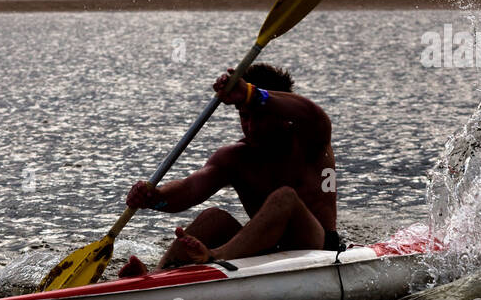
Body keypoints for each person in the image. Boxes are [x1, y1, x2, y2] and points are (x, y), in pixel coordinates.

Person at [118, 63, 339, 278]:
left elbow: (311, 113)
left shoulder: (311, 138)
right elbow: (189, 189)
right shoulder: (235, 157)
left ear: (281, 113)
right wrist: (154, 197)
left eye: (260, 117)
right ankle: (158, 275)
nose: (251, 127)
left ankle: (215, 256)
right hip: (266, 251)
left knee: (285, 197)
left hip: (318, 248)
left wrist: (251, 93)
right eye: (244, 117)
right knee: (213, 217)